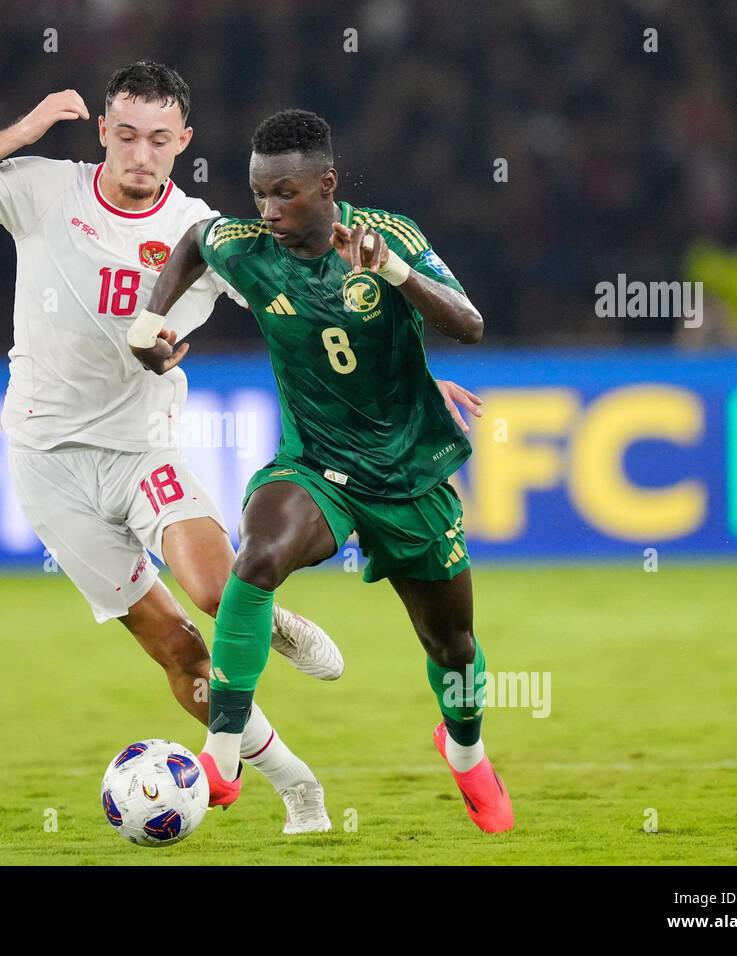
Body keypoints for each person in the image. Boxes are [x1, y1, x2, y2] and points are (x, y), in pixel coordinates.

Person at [0, 62, 357, 833]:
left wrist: (404, 372)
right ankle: (297, 786)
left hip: (145, 449)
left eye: (159, 140)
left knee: (215, 593)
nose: (141, 155)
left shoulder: (206, 233)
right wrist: (23, 131)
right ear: (104, 132)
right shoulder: (44, 186)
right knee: (178, 653)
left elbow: (305, 307)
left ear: (184, 142)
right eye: (127, 136)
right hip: (46, 463)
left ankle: (263, 617)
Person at [130, 108, 512, 833]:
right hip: (315, 465)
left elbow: (470, 323)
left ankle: (466, 753)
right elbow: (192, 240)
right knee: (257, 561)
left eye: (286, 193)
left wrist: (394, 273)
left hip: (410, 477)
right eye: (260, 194)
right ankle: (220, 753)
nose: (269, 210)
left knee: (451, 644)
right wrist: (151, 319)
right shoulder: (246, 245)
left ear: (326, 184)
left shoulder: (389, 237)